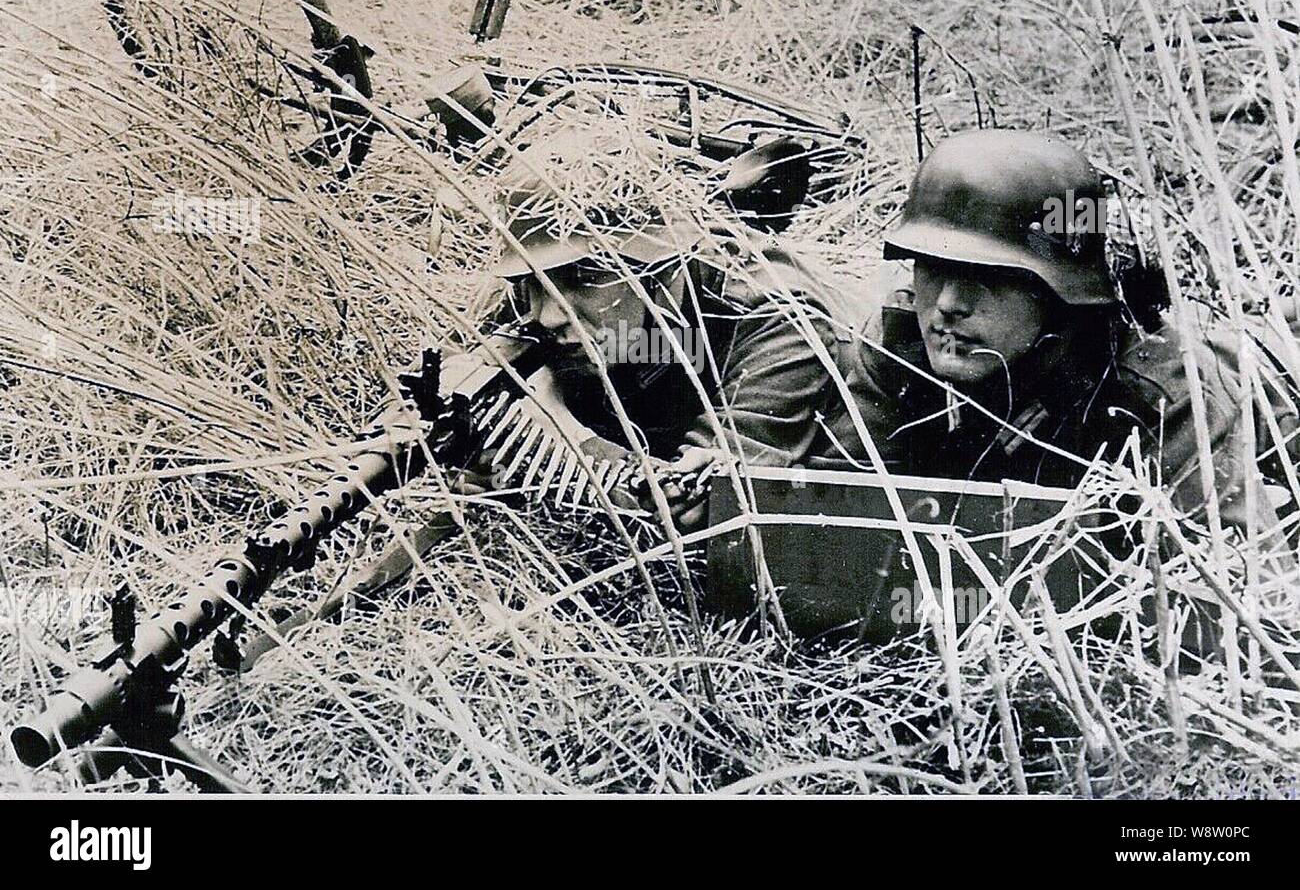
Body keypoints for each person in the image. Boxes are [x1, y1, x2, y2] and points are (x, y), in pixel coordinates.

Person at [815, 128, 1298, 642]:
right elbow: (834, 524)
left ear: (1058, 293)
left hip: (1271, 388)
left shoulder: (1159, 393)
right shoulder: (901, 346)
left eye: (988, 276)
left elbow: (1251, 607)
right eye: (933, 269)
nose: (948, 303)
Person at [463, 119, 865, 531]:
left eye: (583, 276)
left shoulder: (773, 317)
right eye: (533, 283)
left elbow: (696, 508)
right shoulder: (546, 299)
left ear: (658, 267)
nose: (548, 315)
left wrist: (562, 433)